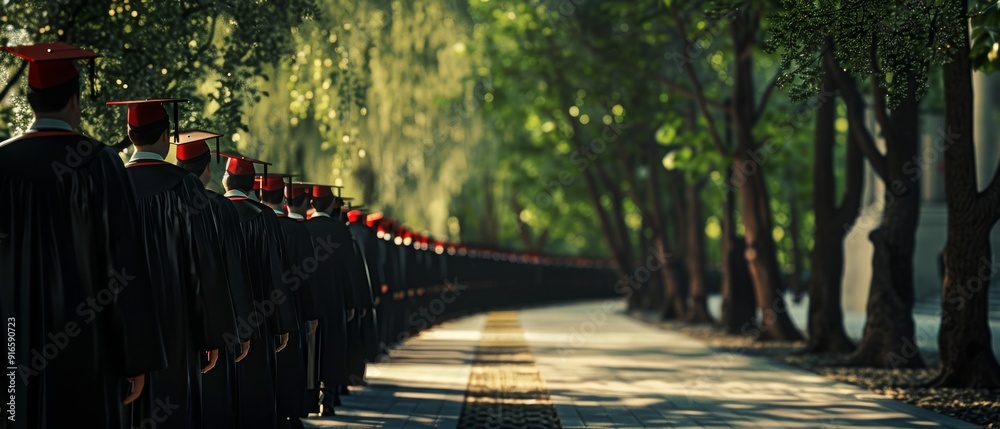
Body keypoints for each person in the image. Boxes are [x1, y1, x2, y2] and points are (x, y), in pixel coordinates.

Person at [0, 42, 167, 429]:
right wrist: (136, 357)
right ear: (75, 101)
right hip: (86, 342)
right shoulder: (100, 162)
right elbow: (125, 262)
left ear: (30, 101)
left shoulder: (3, 163)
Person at [108, 98, 237, 429]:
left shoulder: (110, 185)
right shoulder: (184, 185)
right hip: (175, 324)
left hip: (121, 322)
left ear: (130, 134)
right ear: (166, 136)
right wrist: (211, 333)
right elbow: (204, 263)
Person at [172, 131, 257, 428]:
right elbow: (234, 268)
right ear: (208, 169)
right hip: (213, 321)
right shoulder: (220, 207)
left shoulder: (163, 200)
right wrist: (243, 324)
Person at [217, 153, 299, 429]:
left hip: (220, 319)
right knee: (256, 387)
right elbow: (278, 274)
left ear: (226, 179)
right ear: (253, 183)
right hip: (260, 317)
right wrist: (283, 323)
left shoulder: (210, 211)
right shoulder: (264, 217)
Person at [258, 175, 321, 429]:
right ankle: (289, 414)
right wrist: (311, 312)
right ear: (283, 196)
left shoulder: (254, 221)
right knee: (290, 363)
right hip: (291, 308)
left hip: (259, 309)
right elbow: (308, 275)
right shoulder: (297, 229)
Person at [301, 184, 352, 415]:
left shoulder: (304, 228)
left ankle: (310, 396)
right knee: (332, 347)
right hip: (334, 297)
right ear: (332, 204)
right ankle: (328, 398)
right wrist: (351, 301)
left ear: (311, 203)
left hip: (311, 298)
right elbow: (349, 270)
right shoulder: (340, 230)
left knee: (312, 349)